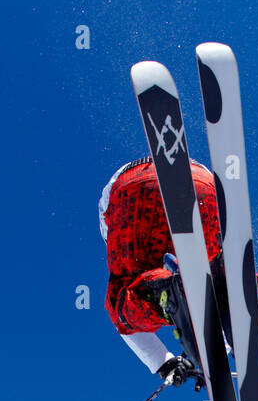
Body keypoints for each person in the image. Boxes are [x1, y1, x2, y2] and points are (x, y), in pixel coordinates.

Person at [99, 155, 235, 387]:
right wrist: (207, 358)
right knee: (207, 275)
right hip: (202, 184)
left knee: (122, 302)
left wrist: (163, 363)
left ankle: (165, 297)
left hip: (131, 193)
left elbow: (125, 326)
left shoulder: (123, 242)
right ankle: (223, 286)